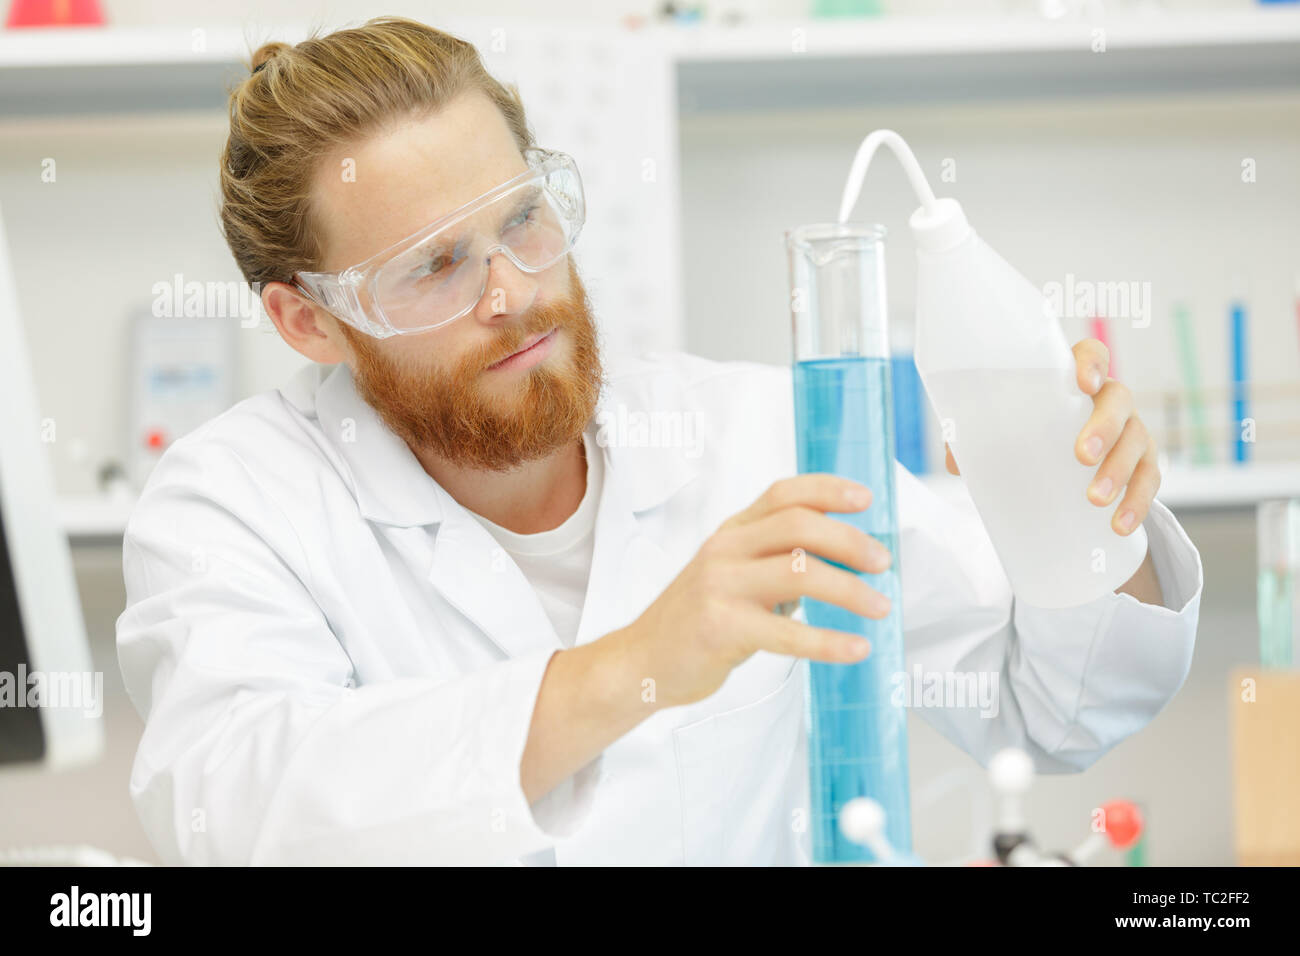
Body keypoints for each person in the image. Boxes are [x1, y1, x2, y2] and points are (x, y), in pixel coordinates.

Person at [116, 16, 1202, 866]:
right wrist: (636, 664)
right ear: (307, 318)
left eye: (523, 219)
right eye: (434, 265)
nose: (512, 292)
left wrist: (1088, 521)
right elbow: (233, 809)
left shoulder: (759, 435)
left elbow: (1056, 709)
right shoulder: (232, 504)